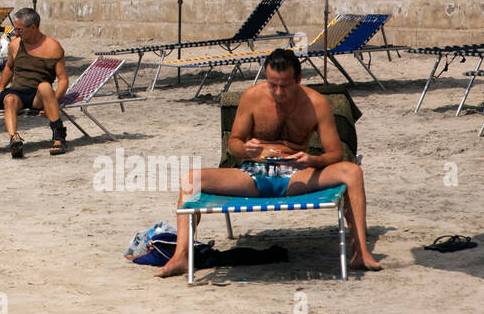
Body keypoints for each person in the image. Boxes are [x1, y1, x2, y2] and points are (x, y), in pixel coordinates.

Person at [158, 49, 381, 277]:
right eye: (272, 84)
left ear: (299, 78)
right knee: (190, 179)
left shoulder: (316, 103)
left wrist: (313, 159)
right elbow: (233, 144)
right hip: (253, 174)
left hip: (296, 175)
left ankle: (360, 253)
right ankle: (181, 256)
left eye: (284, 85)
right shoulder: (252, 97)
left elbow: (335, 154)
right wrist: (245, 149)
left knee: (352, 172)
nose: (278, 91)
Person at [0, 7, 69, 157]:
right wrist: (1, 88)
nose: (16, 33)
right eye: (15, 29)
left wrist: (55, 101)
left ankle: (58, 135)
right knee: (9, 99)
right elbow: (9, 68)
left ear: (33, 27)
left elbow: (63, 80)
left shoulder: (53, 47)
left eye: (19, 29)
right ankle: (14, 139)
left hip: (39, 96)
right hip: (18, 93)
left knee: (45, 86)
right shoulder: (15, 45)